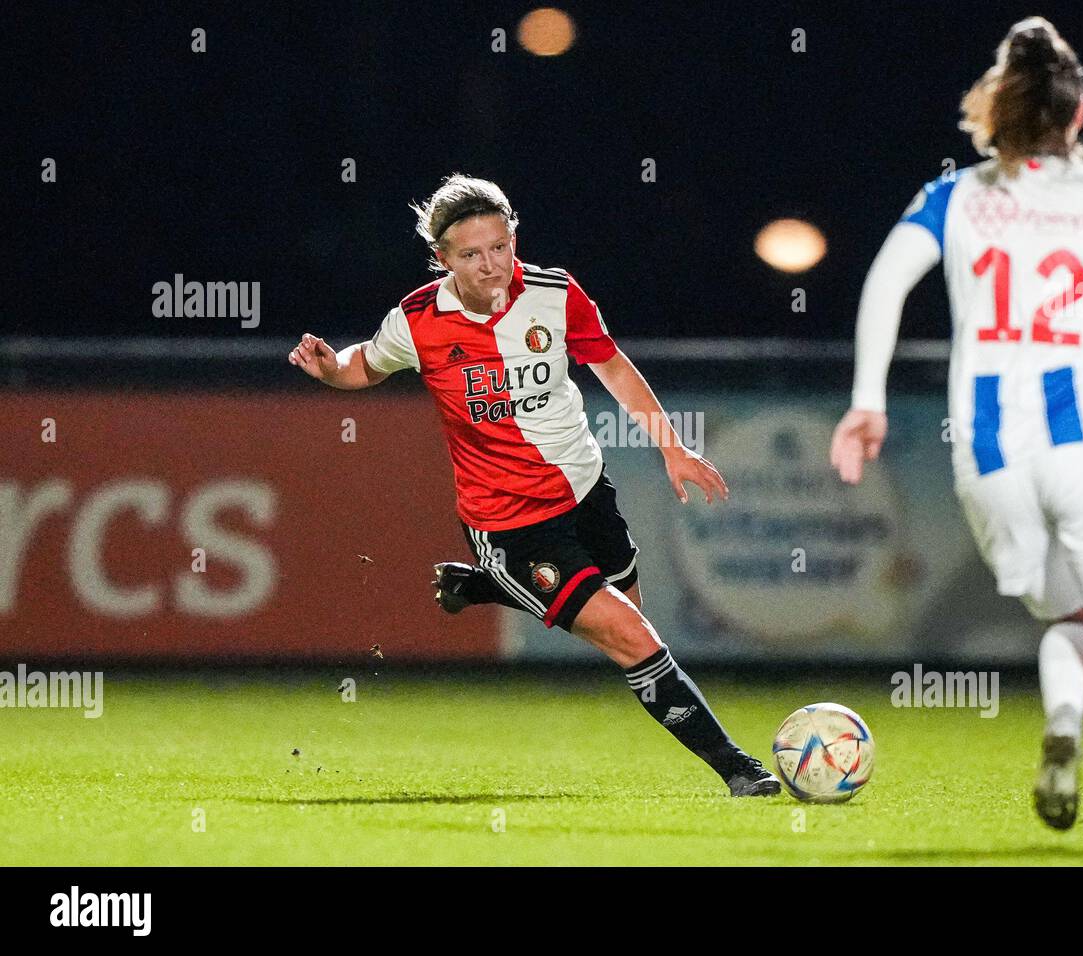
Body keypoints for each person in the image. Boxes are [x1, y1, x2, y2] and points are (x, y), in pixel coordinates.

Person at [830, 18, 1083, 846]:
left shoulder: (955, 196)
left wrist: (867, 400)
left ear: (997, 110)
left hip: (988, 454)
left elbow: (885, 283)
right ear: (1078, 114)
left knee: (1072, 617)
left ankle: (1065, 722)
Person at [289, 173, 779, 797]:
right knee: (630, 636)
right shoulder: (416, 321)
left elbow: (611, 365)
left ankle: (488, 587)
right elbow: (366, 364)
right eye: (471, 255)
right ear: (442, 259)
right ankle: (740, 770)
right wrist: (331, 369)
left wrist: (670, 445)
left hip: (586, 488)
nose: (491, 265)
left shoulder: (555, 293)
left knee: (629, 607)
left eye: (500, 247)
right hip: (510, 523)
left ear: (514, 238)